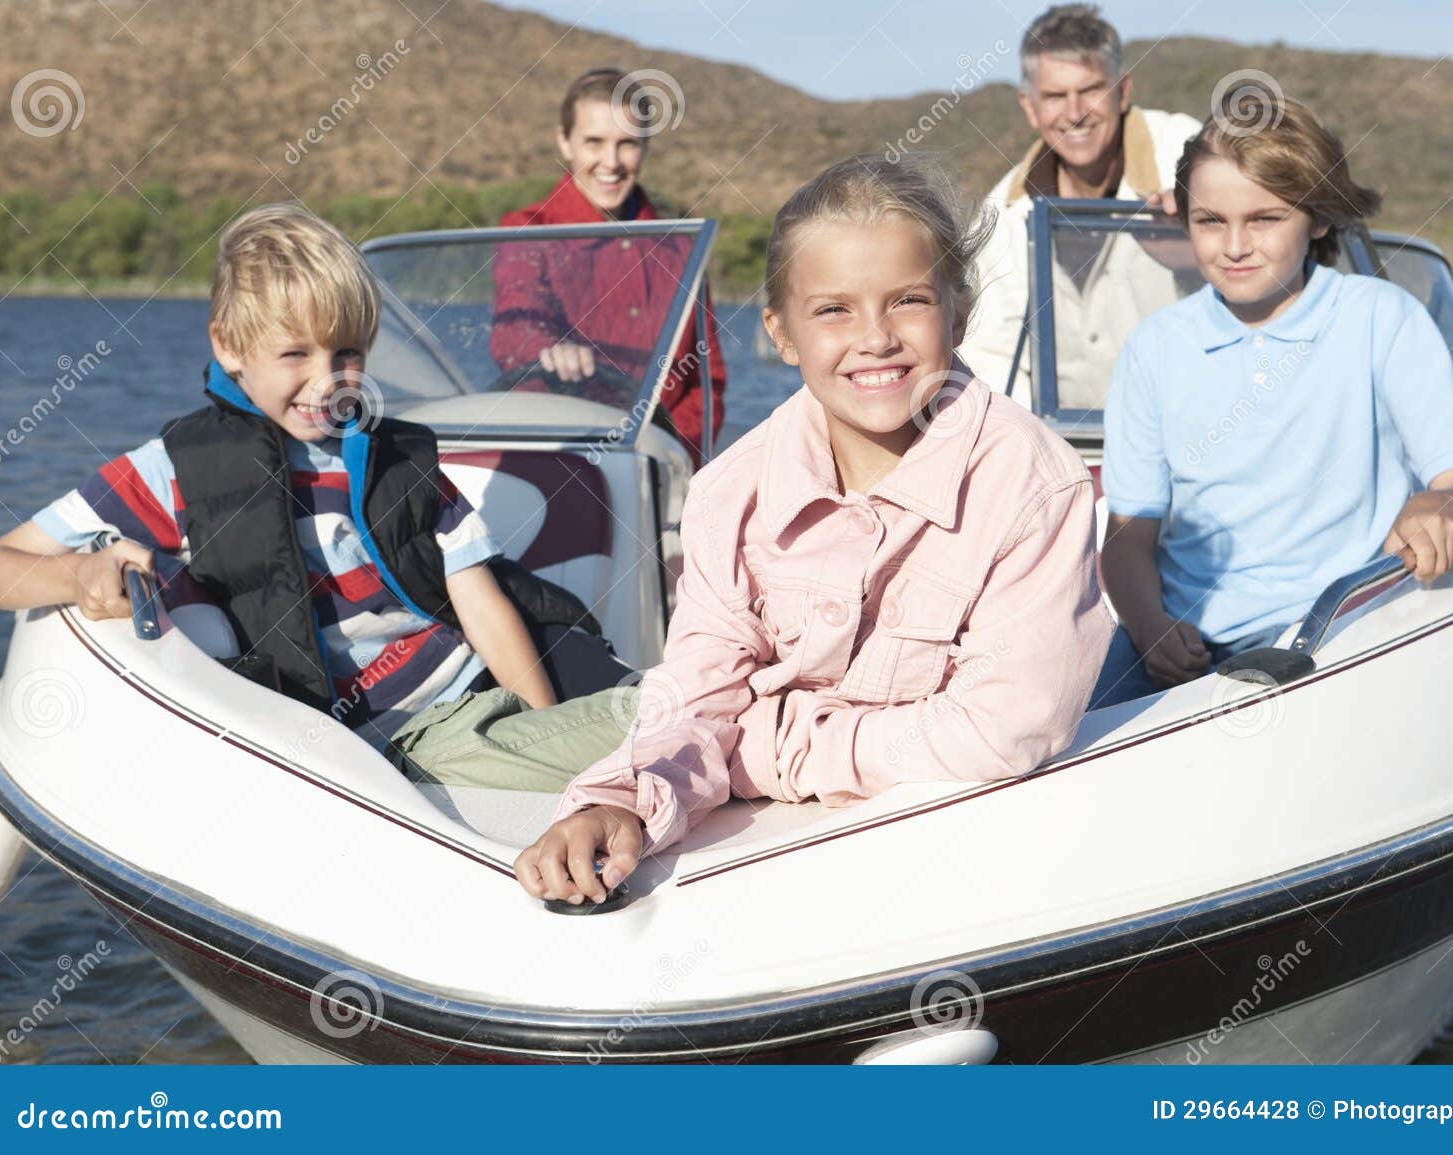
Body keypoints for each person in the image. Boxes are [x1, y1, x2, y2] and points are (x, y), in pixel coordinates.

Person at [471, 155, 1115, 905]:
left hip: (951, 859)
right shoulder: (731, 492)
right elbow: (699, 691)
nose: (876, 339)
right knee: (480, 756)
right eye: (834, 310)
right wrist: (619, 803)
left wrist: (773, 746)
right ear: (781, 333)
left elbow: (1010, 725)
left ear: (958, 312)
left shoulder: (1032, 485)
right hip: (765, 846)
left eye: (908, 300)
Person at [0, 204, 624, 762]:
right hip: (399, 743)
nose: (328, 382)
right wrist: (78, 574)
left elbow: (479, 602)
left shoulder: (398, 459)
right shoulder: (170, 471)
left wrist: (543, 727)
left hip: (474, 678)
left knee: (651, 706)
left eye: (347, 353)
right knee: (640, 738)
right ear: (229, 345)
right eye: (295, 354)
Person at [1089, 90, 1453, 708]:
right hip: (1182, 640)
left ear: (1318, 218)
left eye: (1264, 219)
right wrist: (1150, 627)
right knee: (1062, 737)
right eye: (1210, 221)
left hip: (1341, 634)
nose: (1235, 245)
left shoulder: (1383, 318)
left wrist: (1445, 504)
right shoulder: (1153, 347)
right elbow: (1129, 536)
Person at [959, 4, 1201, 410]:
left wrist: (1197, 245)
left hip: (1190, 427)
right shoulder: (1000, 215)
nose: (1075, 113)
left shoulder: (1190, 155)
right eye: (1055, 96)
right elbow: (990, 356)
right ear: (1029, 107)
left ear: (1123, 91)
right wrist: (1037, 439)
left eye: (1091, 90)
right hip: (1063, 441)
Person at [489, 67, 727, 464]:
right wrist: (548, 349)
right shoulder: (527, 230)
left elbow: (706, 380)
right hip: (558, 456)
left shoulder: (681, 249)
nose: (611, 162)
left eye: (627, 143)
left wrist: (669, 459)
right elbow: (513, 328)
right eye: (594, 142)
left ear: (645, 147)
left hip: (656, 466)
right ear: (565, 142)